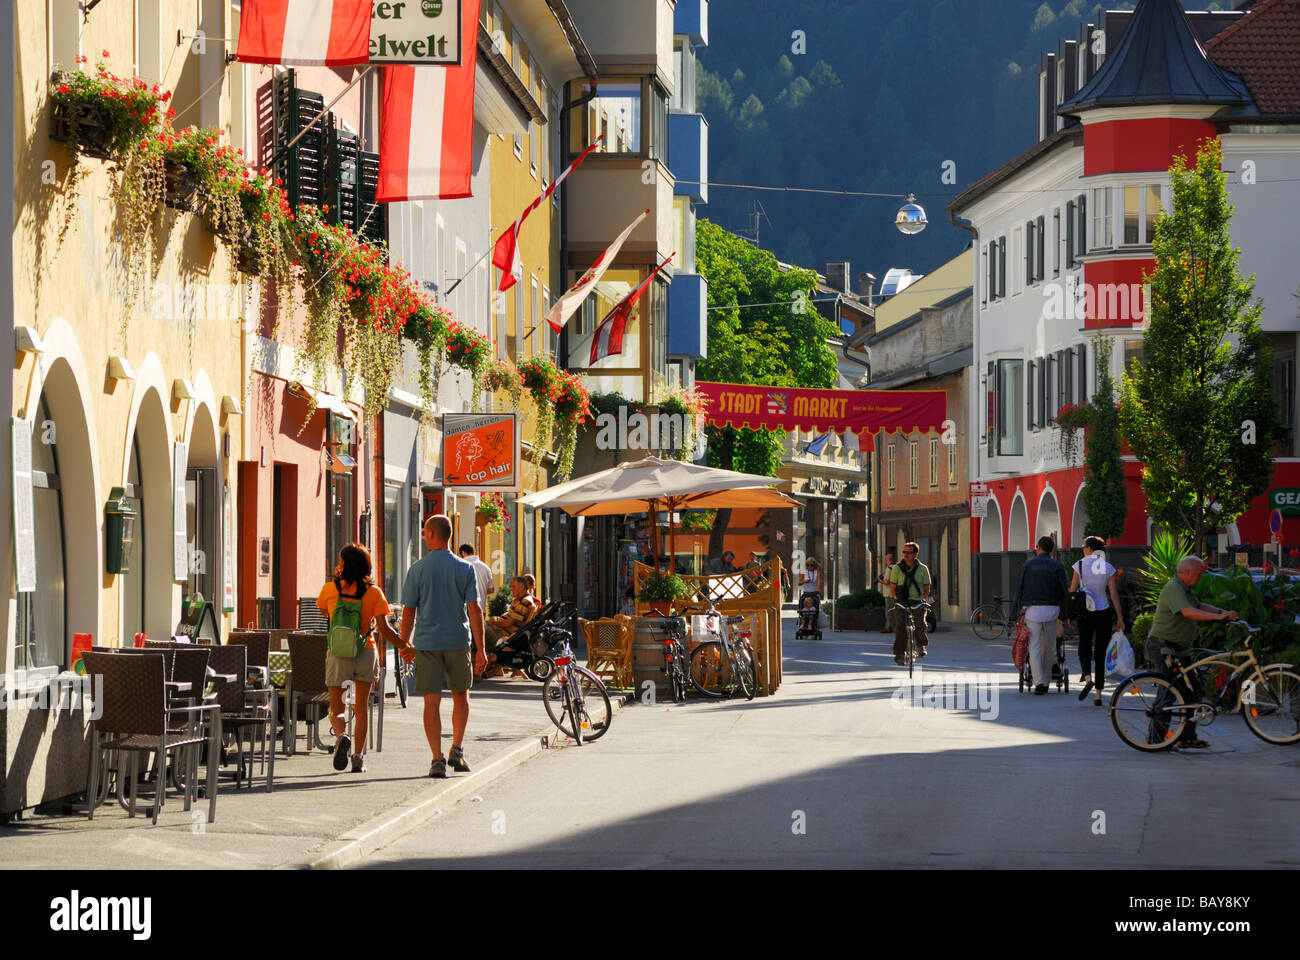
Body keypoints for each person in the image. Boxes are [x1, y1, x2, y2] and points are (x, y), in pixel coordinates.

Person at [401, 515, 487, 778]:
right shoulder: (464, 568)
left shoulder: (418, 569)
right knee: (461, 695)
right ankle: (457, 749)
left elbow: (408, 612)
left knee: (431, 702)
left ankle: (436, 759)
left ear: (431, 534)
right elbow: (475, 610)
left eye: (425, 532)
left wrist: (405, 644)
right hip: (458, 641)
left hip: (427, 643)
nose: (424, 535)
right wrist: (481, 648)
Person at [316, 543, 413, 773]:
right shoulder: (374, 592)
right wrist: (404, 646)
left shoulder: (330, 589)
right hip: (365, 651)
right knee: (361, 707)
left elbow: (323, 611)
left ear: (343, 565)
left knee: (336, 707)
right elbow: (385, 629)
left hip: (338, 653)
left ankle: (341, 737)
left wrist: (339, 582)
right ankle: (358, 757)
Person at [1147, 556, 1237, 750]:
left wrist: (1223, 613)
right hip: (1164, 647)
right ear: (1186, 572)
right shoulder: (1174, 588)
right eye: (1198, 574)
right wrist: (1216, 617)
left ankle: (1187, 737)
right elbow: (1187, 611)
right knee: (1170, 691)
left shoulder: (1185, 589)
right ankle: (1155, 739)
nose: (1200, 578)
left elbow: (1198, 606)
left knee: (1193, 690)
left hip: (1178, 648)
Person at [1069, 535, 1126, 705]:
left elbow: (1073, 591)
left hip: (1085, 611)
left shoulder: (1079, 565)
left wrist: (1071, 615)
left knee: (1084, 647)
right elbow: (1114, 595)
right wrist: (1120, 617)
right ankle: (1098, 695)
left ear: (1090, 549)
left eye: (1084, 546)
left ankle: (1088, 679)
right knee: (1101, 652)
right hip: (1104, 612)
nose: (1083, 549)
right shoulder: (1107, 567)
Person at [1011, 536, 1070, 695]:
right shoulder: (1057, 566)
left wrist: (1015, 611)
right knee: (1050, 647)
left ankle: (1039, 682)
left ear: (1038, 548)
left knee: (1034, 646)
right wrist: (1066, 612)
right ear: (1051, 549)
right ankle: (1047, 679)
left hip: (1032, 611)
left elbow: (1019, 589)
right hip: (1052, 610)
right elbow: (1064, 590)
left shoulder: (1028, 565)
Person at [482, 574, 541, 676]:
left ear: (522, 587)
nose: (511, 589)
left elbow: (508, 623)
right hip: (507, 632)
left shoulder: (525, 602)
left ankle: (485, 664)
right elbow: (509, 618)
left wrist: (495, 622)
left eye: (513, 586)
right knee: (481, 629)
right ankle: (494, 664)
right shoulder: (522, 601)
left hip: (509, 635)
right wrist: (496, 619)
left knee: (479, 633)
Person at [889, 542, 932, 665]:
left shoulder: (923, 569)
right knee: (900, 627)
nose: (906, 555)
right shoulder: (897, 568)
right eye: (904, 552)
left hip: (917, 601)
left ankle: (920, 645)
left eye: (909, 552)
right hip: (901, 602)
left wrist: (922, 599)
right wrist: (895, 599)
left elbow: (926, 588)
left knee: (920, 624)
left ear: (916, 554)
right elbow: (893, 587)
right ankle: (899, 654)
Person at [458, 543, 494, 612]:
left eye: (459, 555)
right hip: (481, 609)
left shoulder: (461, 565)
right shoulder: (485, 567)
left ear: (463, 552)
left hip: (466, 610)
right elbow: (491, 589)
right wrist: (481, 590)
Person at [877, 550, 897, 633]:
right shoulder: (896, 567)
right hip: (895, 593)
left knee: (888, 612)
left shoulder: (889, 569)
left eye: (886, 559)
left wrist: (879, 580)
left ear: (888, 560)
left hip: (888, 594)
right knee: (893, 612)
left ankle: (891, 628)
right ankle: (890, 627)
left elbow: (886, 582)